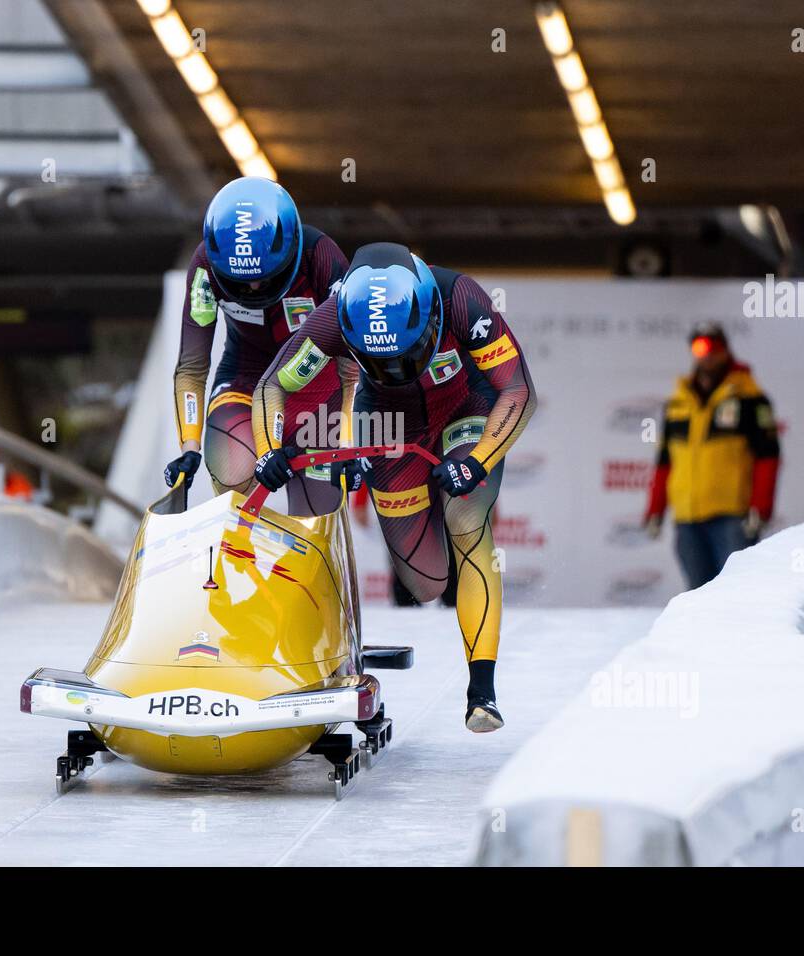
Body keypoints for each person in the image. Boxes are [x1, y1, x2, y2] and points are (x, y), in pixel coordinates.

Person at [251, 243, 536, 733]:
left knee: (467, 520)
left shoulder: (462, 299)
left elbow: (519, 391)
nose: (398, 366)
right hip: (389, 420)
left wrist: (479, 461)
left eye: (407, 355)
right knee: (423, 582)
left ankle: (481, 689)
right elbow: (271, 386)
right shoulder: (333, 319)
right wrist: (268, 449)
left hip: (468, 405)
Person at [163, 176, 350, 515]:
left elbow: (354, 362)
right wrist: (189, 447)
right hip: (246, 376)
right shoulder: (205, 266)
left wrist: (351, 438)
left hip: (315, 387)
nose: (253, 285)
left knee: (315, 519)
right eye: (240, 280)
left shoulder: (320, 256)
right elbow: (191, 367)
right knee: (231, 467)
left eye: (266, 274)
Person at [644, 322, 780, 590]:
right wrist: (655, 510)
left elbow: (768, 457)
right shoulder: (679, 402)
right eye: (699, 348)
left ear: (726, 351)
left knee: (735, 595)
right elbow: (664, 461)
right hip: (687, 520)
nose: (706, 354)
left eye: (713, 348)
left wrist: (761, 508)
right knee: (697, 597)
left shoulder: (750, 399)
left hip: (732, 518)